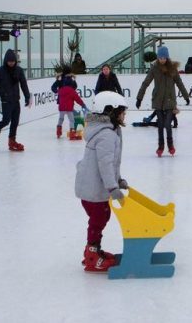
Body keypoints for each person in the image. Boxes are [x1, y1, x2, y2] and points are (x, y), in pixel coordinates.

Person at [74, 91, 129, 273]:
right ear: (110, 111)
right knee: (99, 218)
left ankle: (93, 250)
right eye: (121, 111)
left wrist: (118, 179)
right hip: (93, 188)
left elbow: (112, 162)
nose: (124, 115)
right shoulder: (106, 134)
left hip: (94, 186)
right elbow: (105, 164)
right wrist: (113, 187)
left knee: (100, 218)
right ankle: (92, 256)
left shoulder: (110, 131)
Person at [136, 46, 190, 157]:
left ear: (167, 57)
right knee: (160, 125)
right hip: (158, 100)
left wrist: (186, 96)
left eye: (164, 58)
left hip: (170, 100)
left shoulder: (172, 69)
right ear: (157, 58)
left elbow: (179, 83)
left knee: (167, 124)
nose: (162, 60)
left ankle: (170, 146)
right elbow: (146, 83)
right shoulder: (154, 68)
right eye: (160, 58)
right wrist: (139, 98)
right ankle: (161, 147)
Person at [0, 49, 32, 152]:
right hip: (5, 100)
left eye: (13, 61)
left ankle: (12, 141)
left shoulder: (19, 70)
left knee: (15, 122)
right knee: (6, 120)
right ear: (5, 61)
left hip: (16, 100)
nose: (11, 63)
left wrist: (27, 96)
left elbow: (23, 84)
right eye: (9, 61)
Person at [58, 76, 89, 140]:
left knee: (61, 119)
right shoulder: (72, 91)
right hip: (69, 108)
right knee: (72, 120)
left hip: (61, 108)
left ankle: (58, 132)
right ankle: (72, 135)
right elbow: (78, 99)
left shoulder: (61, 90)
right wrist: (83, 104)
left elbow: (59, 97)